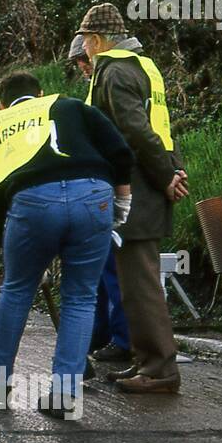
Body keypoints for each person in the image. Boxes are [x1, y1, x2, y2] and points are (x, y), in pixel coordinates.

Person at [0, 70, 134, 419]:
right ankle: (64, 393)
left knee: (17, 289)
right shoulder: (69, 105)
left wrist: (4, 243)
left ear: (2, 103)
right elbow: (121, 151)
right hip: (93, 194)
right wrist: (122, 202)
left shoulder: (0, 125)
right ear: (41, 93)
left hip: (33, 202)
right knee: (80, 296)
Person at [80, 3, 189, 394]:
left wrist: (164, 178)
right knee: (133, 282)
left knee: (140, 285)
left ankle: (160, 370)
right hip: (151, 183)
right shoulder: (144, 66)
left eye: (86, 43)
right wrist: (174, 171)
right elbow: (161, 128)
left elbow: (136, 133)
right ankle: (147, 362)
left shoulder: (111, 70)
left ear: (95, 40)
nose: (86, 52)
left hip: (136, 190)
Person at [69, 34, 132, 362]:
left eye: (82, 60)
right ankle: (102, 336)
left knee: (114, 269)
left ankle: (122, 339)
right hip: (102, 190)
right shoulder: (100, 85)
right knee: (103, 271)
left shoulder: (112, 81)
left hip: (111, 191)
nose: (81, 67)